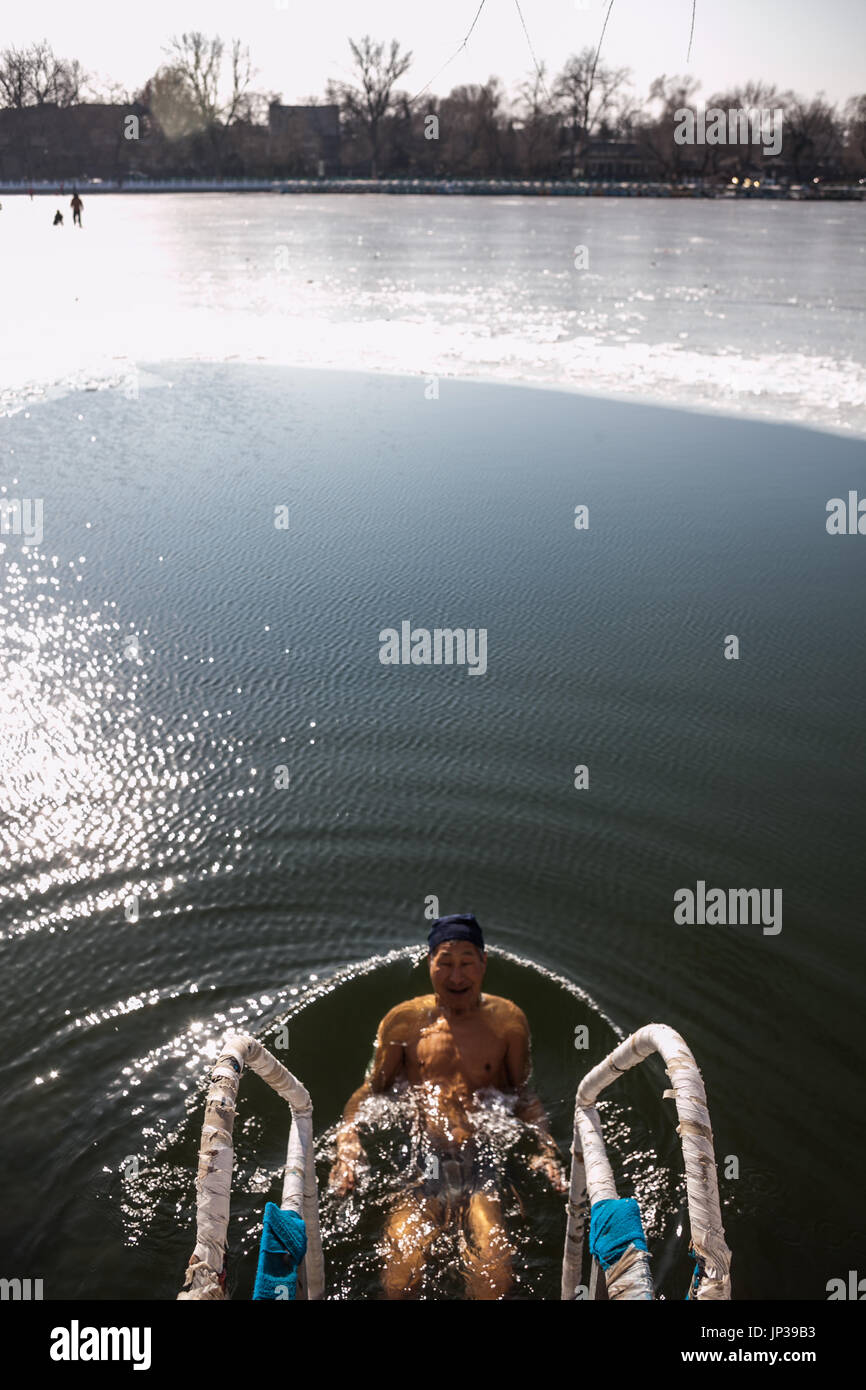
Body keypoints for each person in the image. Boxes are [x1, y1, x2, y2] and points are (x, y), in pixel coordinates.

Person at [328, 913, 567, 1299]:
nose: (457, 977)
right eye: (446, 963)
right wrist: (347, 1142)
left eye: (466, 963)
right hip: (423, 1154)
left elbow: (521, 1095)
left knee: (495, 1273)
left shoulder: (509, 1022)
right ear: (429, 963)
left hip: (485, 1152)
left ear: (484, 963)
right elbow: (369, 1093)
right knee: (399, 1275)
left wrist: (545, 1147)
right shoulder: (403, 1022)